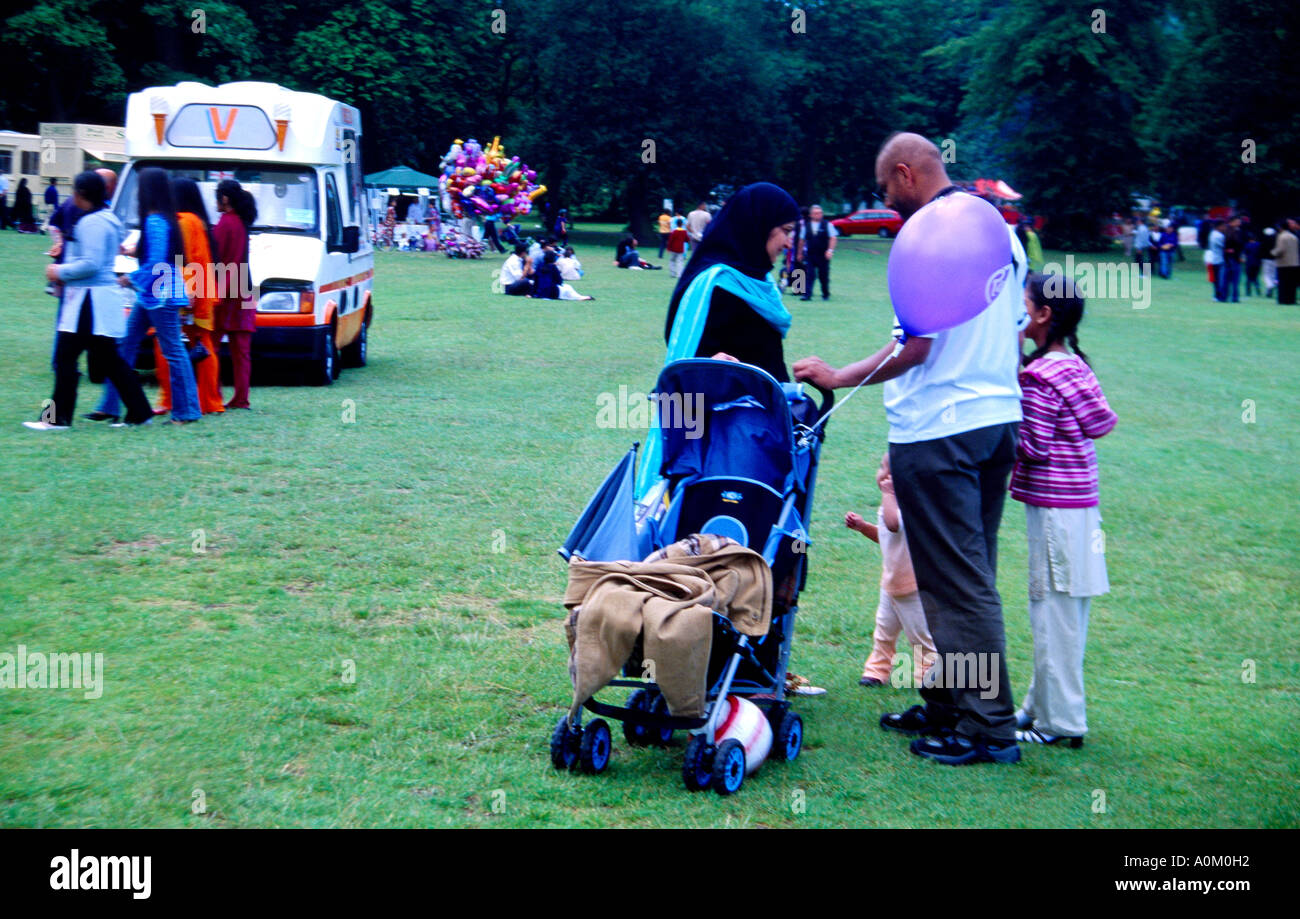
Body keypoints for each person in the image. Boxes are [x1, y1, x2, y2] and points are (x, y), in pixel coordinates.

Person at [794, 132, 1028, 765]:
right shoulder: (999, 230)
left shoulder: (928, 236)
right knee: (958, 575)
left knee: (957, 582)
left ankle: (987, 728)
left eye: (886, 190)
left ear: (905, 174)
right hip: (996, 420)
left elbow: (914, 348)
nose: (887, 204)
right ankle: (949, 705)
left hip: (941, 429)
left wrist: (839, 375)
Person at [655, 180, 822, 696]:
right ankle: (709, 660)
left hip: (768, 441)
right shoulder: (713, 282)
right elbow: (684, 360)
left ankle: (759, 662)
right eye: (783, 232)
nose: (786, 245)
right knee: (723, 544)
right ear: (757, 228)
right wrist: (720, 366)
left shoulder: (755, 281)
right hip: (723, 448)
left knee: (773, 546)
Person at [1011, 272, 1117, 747]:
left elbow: (1031, 446)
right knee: (1068, 613)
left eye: (1025, 302)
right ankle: (1039, 708)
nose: (1019, 310)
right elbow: (1099, 423)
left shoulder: (1037, 376)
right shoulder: (1074, 367)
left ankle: (1061, 724)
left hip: (1053, 510)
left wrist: (1009, 387)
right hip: (1081, 509)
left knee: (1052, 615)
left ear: (1042, 314)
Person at [23, 171, 153, 431]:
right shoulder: (107, 218)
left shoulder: (92, 222)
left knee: (66, 359)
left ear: (81, 194)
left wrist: (58, 271)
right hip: (94, 300)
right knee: (109, 360)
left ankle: (56, 418)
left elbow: (91, 264)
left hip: (89, 301)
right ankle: (140, 412)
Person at [846, 452, 937, 690]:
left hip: (914, 586)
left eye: (892, 471)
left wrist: (889, 494)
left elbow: (893, 525)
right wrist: (863, 527)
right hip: (891, 584)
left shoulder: (912, 506)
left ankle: (929, 675)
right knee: (883, 632)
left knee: (921, 636)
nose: (885, 475)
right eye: (881, 467)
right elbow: (886, 536)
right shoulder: (890, 503)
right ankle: (876, 671)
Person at [152, 178, 224, 415]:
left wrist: (186, 292)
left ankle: (169, 399)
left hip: (186, 290)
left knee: (164, 343)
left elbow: (184, 259)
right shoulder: (200, 222)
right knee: (203, 345)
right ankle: (210, 401)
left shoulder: (183, 222)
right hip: (201, 292)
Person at [214, 178, 257, 409]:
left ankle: (213, 393)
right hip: (245, 287)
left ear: (225, 199)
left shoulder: (225, 223)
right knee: (241, 352)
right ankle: (241, 397)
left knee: (211, 345)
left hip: (225, 291)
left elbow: (216, 259)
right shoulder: (242, 222)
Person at [799, 204, 837, 301]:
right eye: (816, 213)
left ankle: (825, 294)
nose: (818, 215)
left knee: (823, 275)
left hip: (823, 255)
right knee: (810, 275)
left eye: (820, 213)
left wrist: (830, 250)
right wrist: (799, 253)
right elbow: (801, 240)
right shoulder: (806, 226)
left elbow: (833, 238)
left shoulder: (827, 224)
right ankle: (807, 295)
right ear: (811, 215)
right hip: (810, 254)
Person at [1272, 218, 1299, 305]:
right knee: (1292, 283)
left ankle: (1282, 299)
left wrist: (1273, 253)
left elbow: (1280, 249)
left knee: (1283, 283)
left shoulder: (1281, 236)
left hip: (1284, 263)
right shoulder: (1293, 237)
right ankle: (1291, 300)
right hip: (1294, 263)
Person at [1222, 217, 1243, 302]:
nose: (1239, 223)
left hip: (1232, 257)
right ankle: (1233, 297)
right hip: (1232, 258)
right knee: (1233, 279)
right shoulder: (1230, 232)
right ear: (1232, 222)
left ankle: (1226, 296)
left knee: (1229, 279)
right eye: (1237, 222)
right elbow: (1236, 244)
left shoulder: (1234, 231)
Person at [1205, 220, 1226, 301]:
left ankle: (1216, 295)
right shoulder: (1219, 236)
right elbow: (1224, 246)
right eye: (1223, 226)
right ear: (1219, 226)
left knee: (1216, 279)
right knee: (1219, 279)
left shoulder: (1212, 234)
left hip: (1213, 259)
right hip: (1219, 259)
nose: (1224, 228)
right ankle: (1219, 295)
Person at [1260, 226, 1279, 298]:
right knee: (1273, 275)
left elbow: (1261, 250)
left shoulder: (1264, 240)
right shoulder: (1276, 240)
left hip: (1266, 259)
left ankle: (1270, 285)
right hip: (1275, 259)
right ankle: (1273, 284)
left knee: (1266, 274)